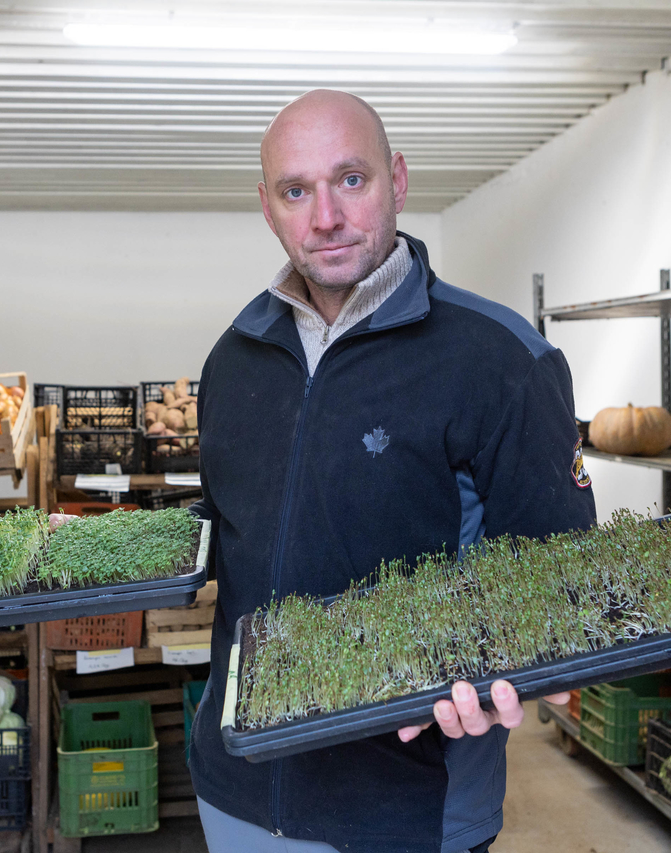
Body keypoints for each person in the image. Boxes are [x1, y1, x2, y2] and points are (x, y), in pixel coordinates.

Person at [183, 90, 598, 853]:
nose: (325, 217)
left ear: (398, 181)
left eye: (351, 180)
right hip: (235, 791)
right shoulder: (233, 358)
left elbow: (564, 588)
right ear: (269, 208)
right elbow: (225, 537)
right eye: (296, 190)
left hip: (408, 811)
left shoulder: (499, 359)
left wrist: (502, 670)